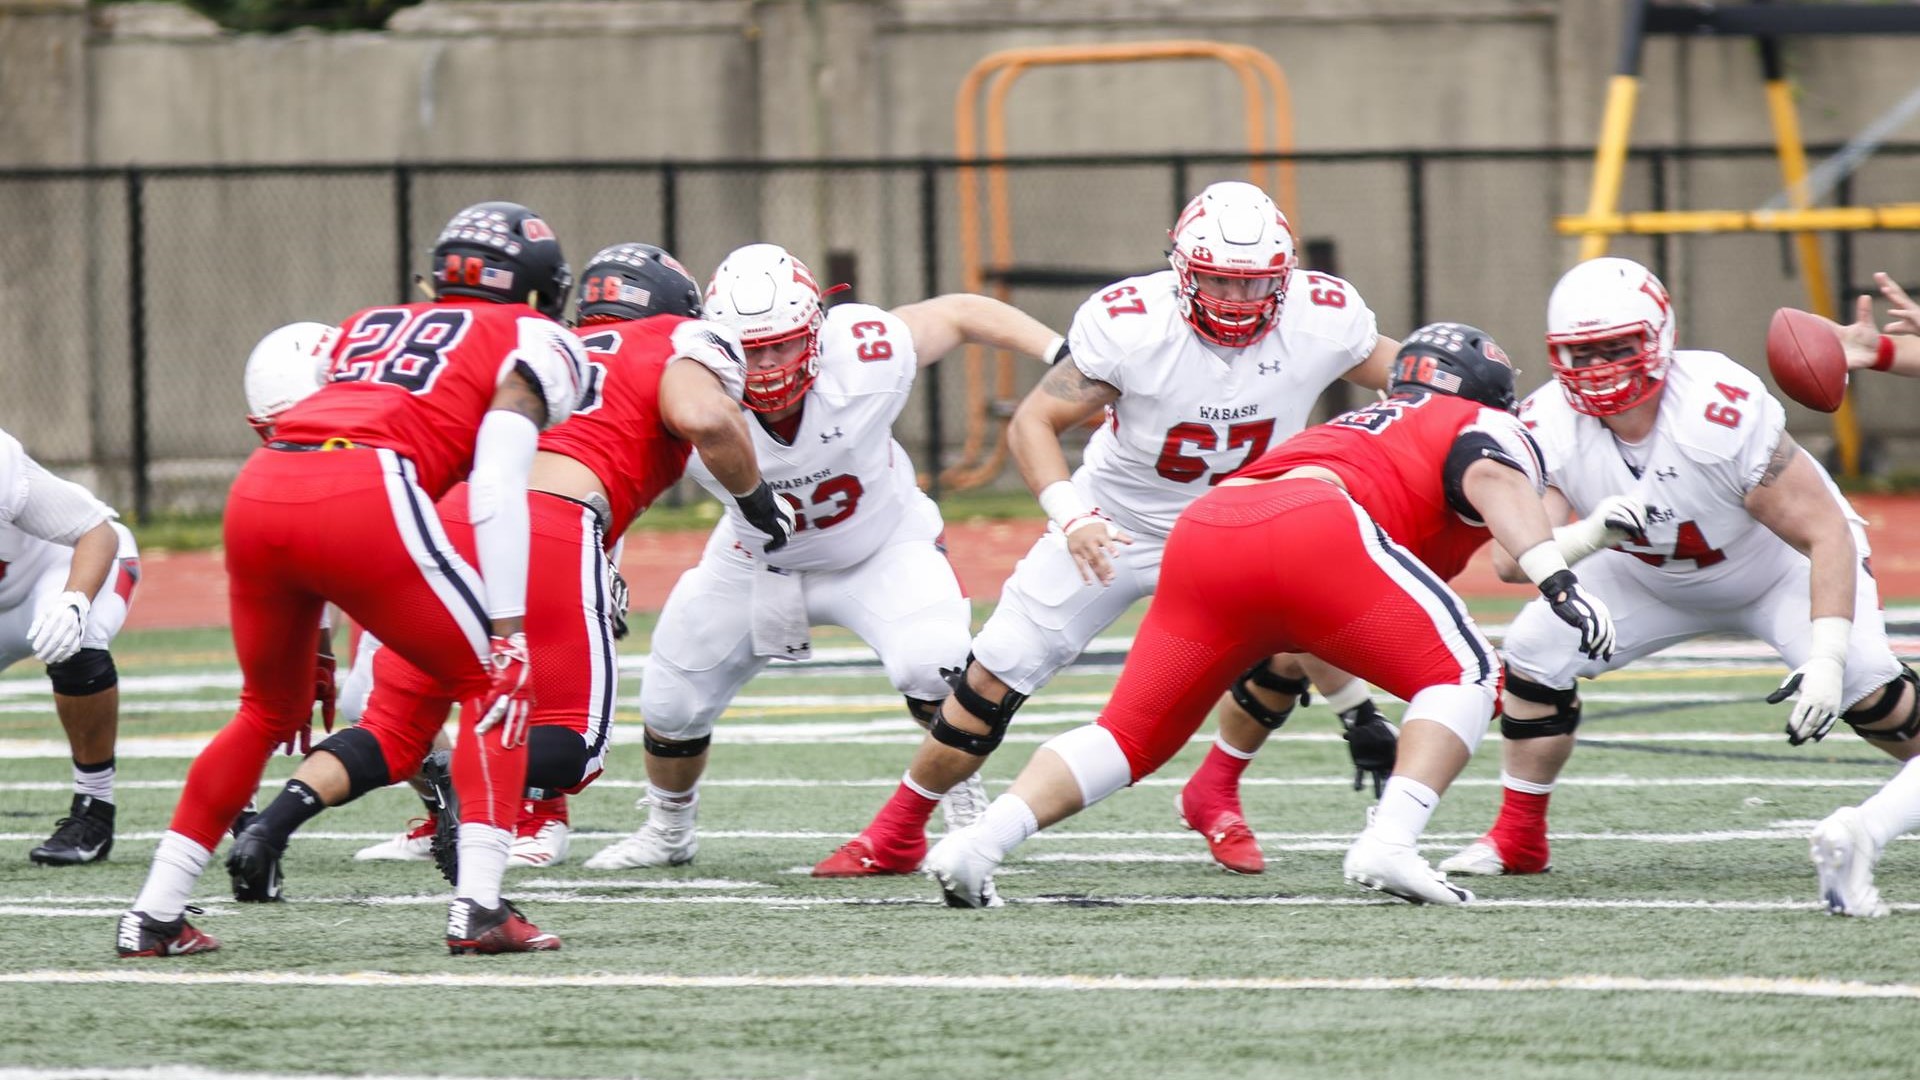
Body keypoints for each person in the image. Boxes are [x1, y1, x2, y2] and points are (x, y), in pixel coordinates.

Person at [816, 180, 1402, 878]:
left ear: (1286, 277)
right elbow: (1035, 421)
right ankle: (899, 830)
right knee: (993, 675)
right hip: (1118, 522)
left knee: (1300, 634)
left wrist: (1460, 404)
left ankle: (1214, 787)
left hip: (1241, 523)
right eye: (1219, 280)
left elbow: (1408, 378)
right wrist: (1073, 517)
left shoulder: (1323, 314)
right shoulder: (1131, 323)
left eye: (1255, 285)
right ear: (1182, 269)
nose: (1237, 301)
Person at [924, 323, 1617, 908]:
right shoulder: (1484, 422)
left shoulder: (1364, 425)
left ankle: (978, 846)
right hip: (1315, 529)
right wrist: (1558, 580)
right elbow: (1492, 482)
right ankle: (1390, 843)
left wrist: (1354, 708)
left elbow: (1316, 602)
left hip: (1212, 527)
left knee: (1130, 735)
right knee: (1466, 673)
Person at [117, 200, 594, 958]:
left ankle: (153, 912)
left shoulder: (369, 322)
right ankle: (479, 907)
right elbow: (499, 475)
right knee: (491, 688)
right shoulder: (533, 336)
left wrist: (316, 634)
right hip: (367, 486)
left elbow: (323, 437)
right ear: (539, 290)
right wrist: (506, 633)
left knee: (263, 712)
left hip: (261, 488)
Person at [227, 242, 783, 890]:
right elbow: (705, 417)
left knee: (387, 723)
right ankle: (469, 787)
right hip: (551, 521)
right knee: (574, 746)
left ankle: (271, 826)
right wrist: (757, 502)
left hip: (456, 515)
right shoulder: (674, 340)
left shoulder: (545, 349)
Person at [583, 242, 1062, 874]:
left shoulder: (865, 352)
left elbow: (961, 312)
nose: (767, 366)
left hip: (879, 547)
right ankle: (668, 831)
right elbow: (609, 484)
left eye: (782, 344)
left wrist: (1064, 353)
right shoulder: (682, 389)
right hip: (752, 559)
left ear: (817, 329)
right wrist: (601, 563)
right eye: (750, 351)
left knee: (936, 664)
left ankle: (964, 812)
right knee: (671, 701)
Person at [1436, 256, 1917, 881]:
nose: (1600, 367)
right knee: (1534, 649)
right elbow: (1509, 559)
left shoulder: (1717, 407)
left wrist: (1825, 656)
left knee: (1866, 687)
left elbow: (1824, 532)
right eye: (1582, 353)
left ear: (1660, 337)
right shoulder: (1547, 421)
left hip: (1775, 569)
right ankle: (1517, 838)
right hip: (1645, 575)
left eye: (1617, 346)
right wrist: (1590, 534)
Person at [0, 432, 142, 867]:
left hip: (62, 569)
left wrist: (74, 601)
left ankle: (94, 810)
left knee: (73, 642)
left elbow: (94, 532)